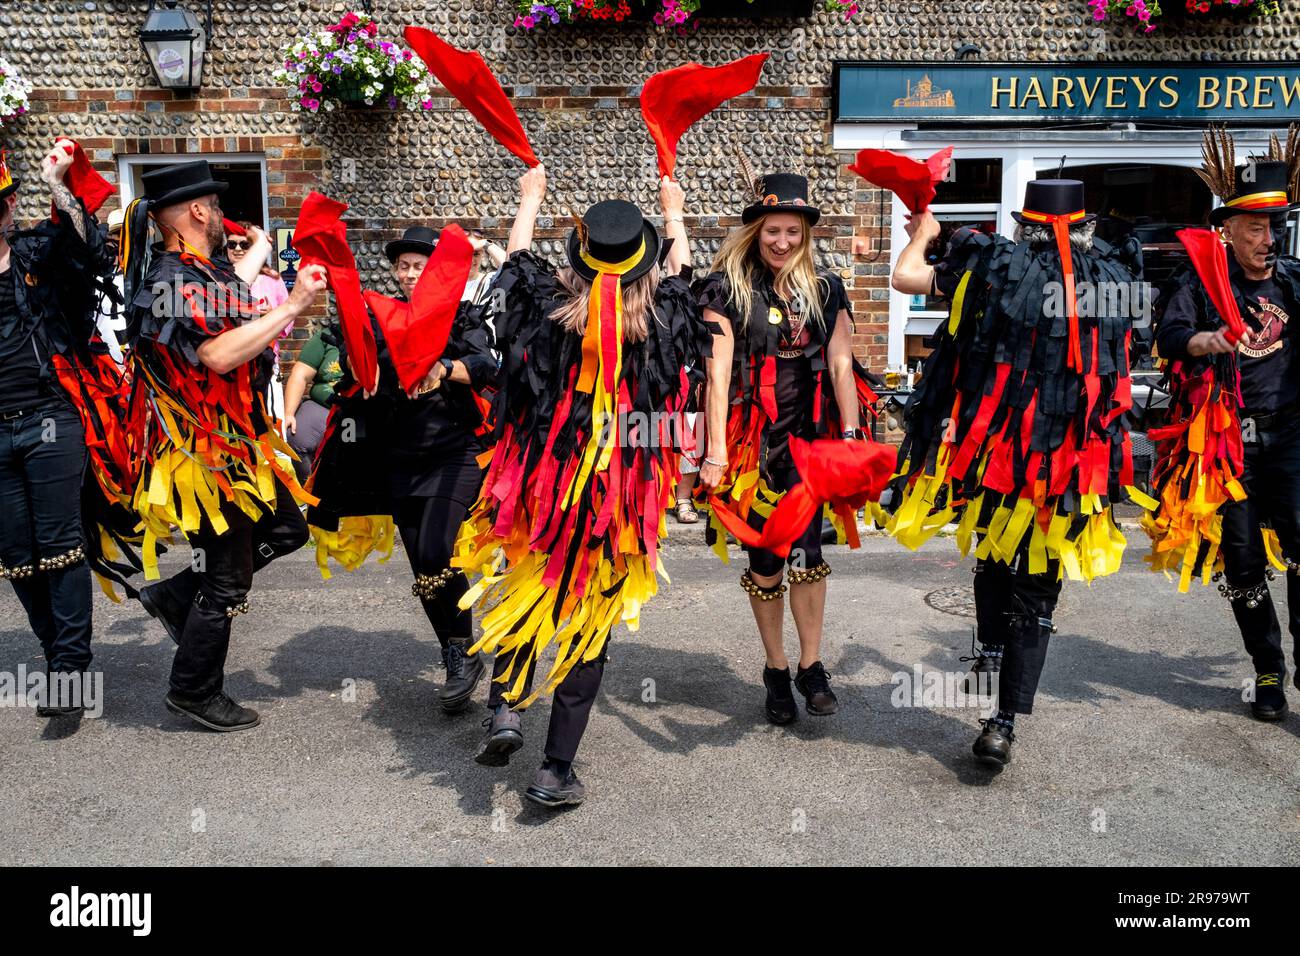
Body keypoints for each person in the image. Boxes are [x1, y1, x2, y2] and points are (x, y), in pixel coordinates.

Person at [459, 165, 710, 808]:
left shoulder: (548, 307)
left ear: (581, 254)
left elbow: (514, 266)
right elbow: (683, 279)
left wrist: (529, 200)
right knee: (588, 622)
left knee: (528, 590)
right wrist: (674, 210)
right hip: (617, 499)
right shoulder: (662, 315)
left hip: (545, 483)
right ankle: (553, 769)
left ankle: (507, 710)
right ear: (642, 262)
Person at [889, 178, 1143, 769]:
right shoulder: (1114, 279)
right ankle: (1001, 718)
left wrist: (924, 235)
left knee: (999, 566)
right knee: (1032, 587)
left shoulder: (996, 268)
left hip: (1006, 457)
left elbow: (905, 278)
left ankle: (995, 692)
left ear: (1023, 224)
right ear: (1083, 227)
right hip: (1065, 465)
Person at [126, 160, 328, 732]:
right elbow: (215, 354)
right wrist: (290, 308)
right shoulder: (170, 278)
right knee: (227, 579)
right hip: (205, 459)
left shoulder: (200, 270)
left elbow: (228, 301)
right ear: (196, 211)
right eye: (215, 207)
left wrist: (267, 260)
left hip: (241, 448)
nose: (221, 217)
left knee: (288, 528)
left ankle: (176, 594)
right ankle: (193, 690)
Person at [695, 170, 872, 726]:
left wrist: (848, 438)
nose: (782, 242)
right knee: (767, 560)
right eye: (773, 230)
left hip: (812, 440)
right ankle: (775, 669)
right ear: (755, 231)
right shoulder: (724, 289)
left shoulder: (827, 288)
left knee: (809, 555)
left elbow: (842, 364)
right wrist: (716, 452)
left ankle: (811, 666)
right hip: (753, 446)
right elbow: (717, 377)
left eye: (792, 231)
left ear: (805, 233)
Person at [306, 224, 497, 714]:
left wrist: (443, 369)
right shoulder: (377, 314)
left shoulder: (464, 314)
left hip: (455, 451)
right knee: (423, 565)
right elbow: (351, 360)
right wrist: (359, 368)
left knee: (436, 547)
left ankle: (463, 652)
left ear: (437, 271)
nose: (411, 274)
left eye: (420, 266)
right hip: (397, 455)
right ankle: (458, 655)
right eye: (404, 266)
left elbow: (485, 365)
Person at [1151, 130, 1300, 721]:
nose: (1268, 239)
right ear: (1229, 230)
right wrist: (1205, 340)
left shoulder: (1294, 281)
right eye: (1256, 228)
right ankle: (1267, 668)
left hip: (1290, 436)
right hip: (1225, 444)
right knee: (1240, 562)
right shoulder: (1199, 283)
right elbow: (1166, 337)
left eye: (1275, 227)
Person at [0, 139, 113, 717]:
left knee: (59, 545)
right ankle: (54, 655)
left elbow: (95, 253)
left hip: (49, 417)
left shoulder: (36, 252)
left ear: (8, 207)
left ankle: (69, 670)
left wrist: (57, 184)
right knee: (16, 552)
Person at [226, 220, 292, 418]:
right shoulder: (217, 278)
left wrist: (272, 314)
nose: (237, 249)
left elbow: (288, 322)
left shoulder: (272, 279)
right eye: (232, 244)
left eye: (244, 244)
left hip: (265, 362)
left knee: (268, 421)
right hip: (231, 364)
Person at [282, 322, 342, 481]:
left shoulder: (378, 336)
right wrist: (289, 414)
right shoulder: (327, 336)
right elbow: (300, 375)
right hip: (323, 406)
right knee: (296, 437)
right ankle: (309, 491)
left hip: (355, 411)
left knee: (350, 445)